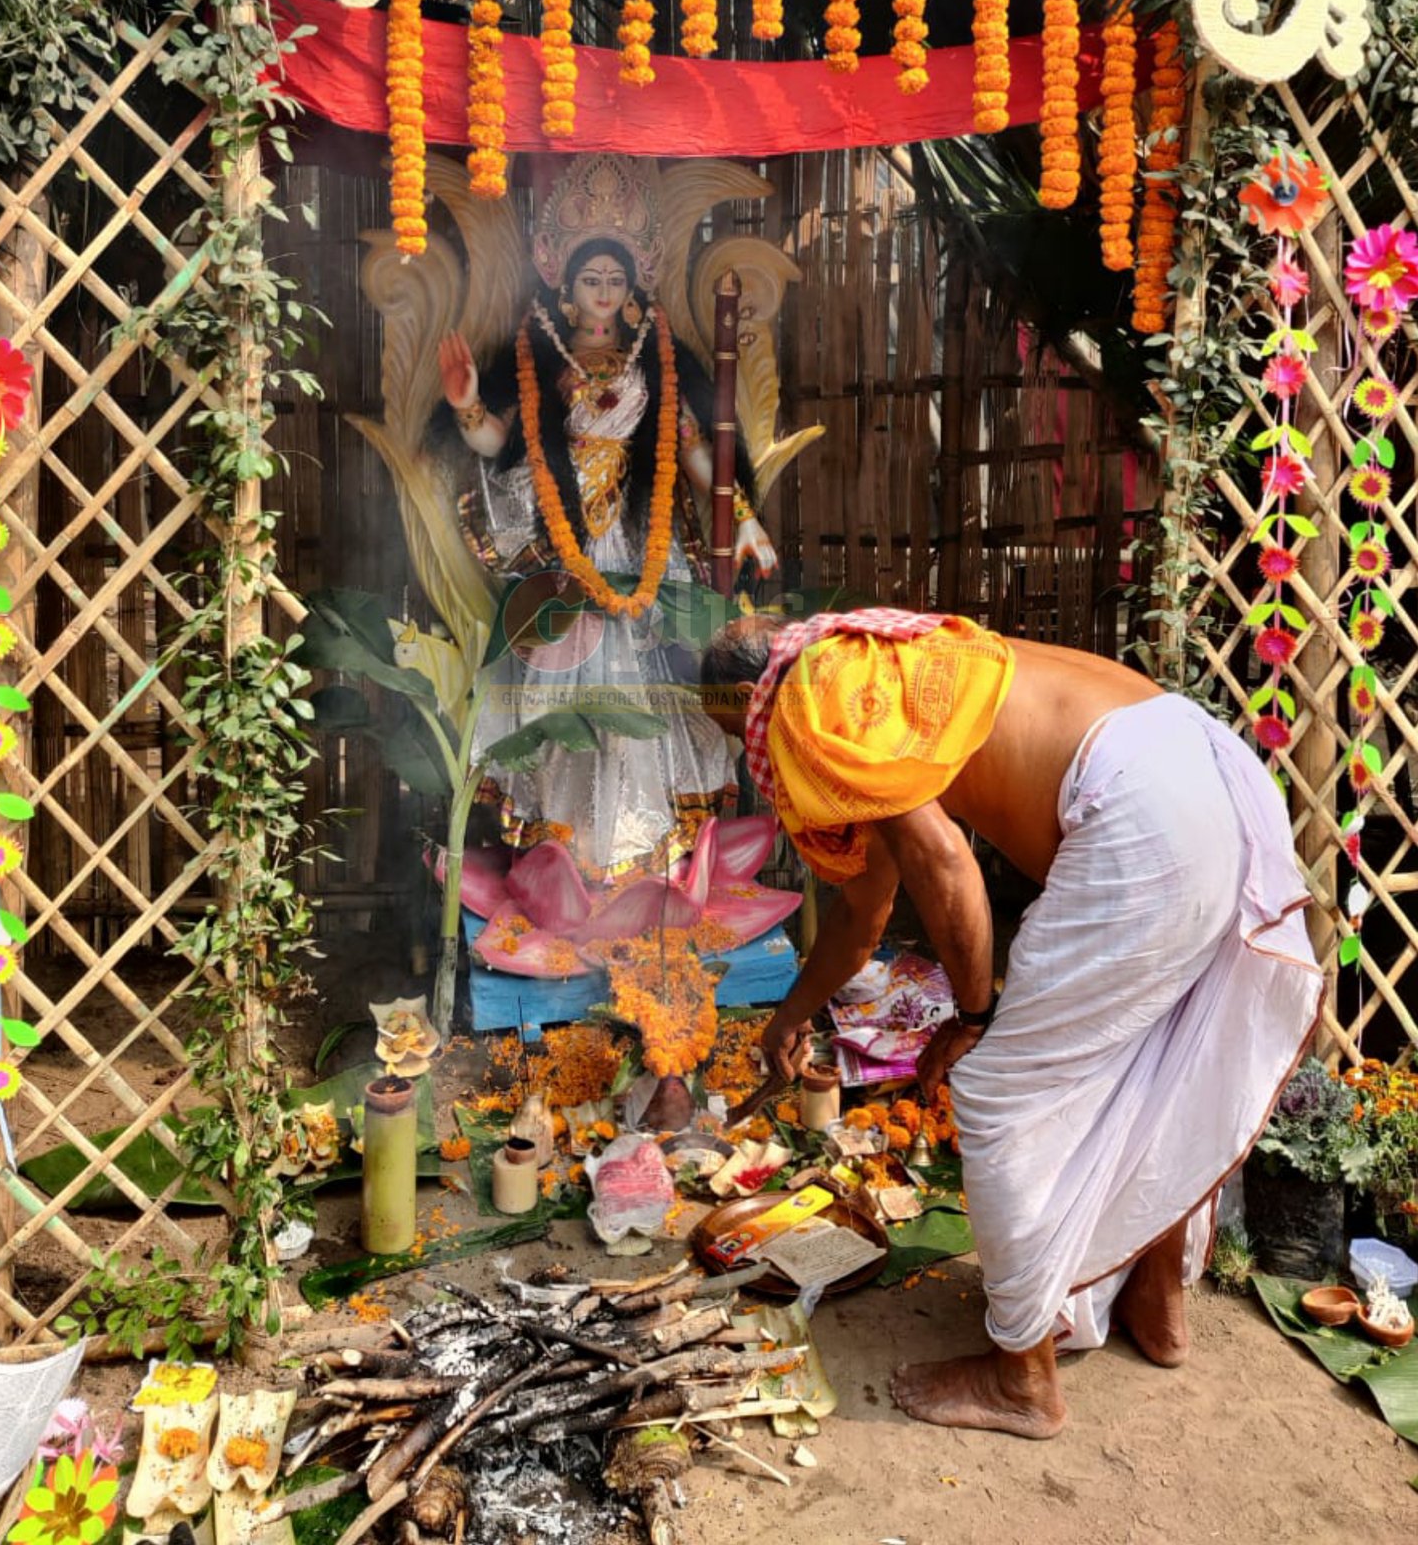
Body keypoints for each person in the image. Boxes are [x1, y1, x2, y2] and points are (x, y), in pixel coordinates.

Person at [699, 606, 1322, 1439]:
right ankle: (1154, 1298)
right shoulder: (867, 668)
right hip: (1208, 772)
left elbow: (945, 864)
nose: (754, 760)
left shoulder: (810, 697)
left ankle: (1021, 1377)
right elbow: (865, 911)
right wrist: (792, 1017)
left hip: (1146, 812)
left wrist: (973, 1015)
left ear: (753, 691)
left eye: (737, 731)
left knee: (995, 1092)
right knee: (1149, 1058)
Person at [437, 154, 778, 884]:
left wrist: (743, 516)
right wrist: (466, 402)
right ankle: (572, 857)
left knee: (650, 698)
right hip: (560, 549)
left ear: (632, 289)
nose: (602, 293)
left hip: (640, 544)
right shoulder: (536, 356)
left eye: (614, 281)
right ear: (564, 283)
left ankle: (647, 863)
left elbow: (690, 450)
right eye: (590, 280)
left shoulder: (652, 359)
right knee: (567, 704)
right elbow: (499, 445)